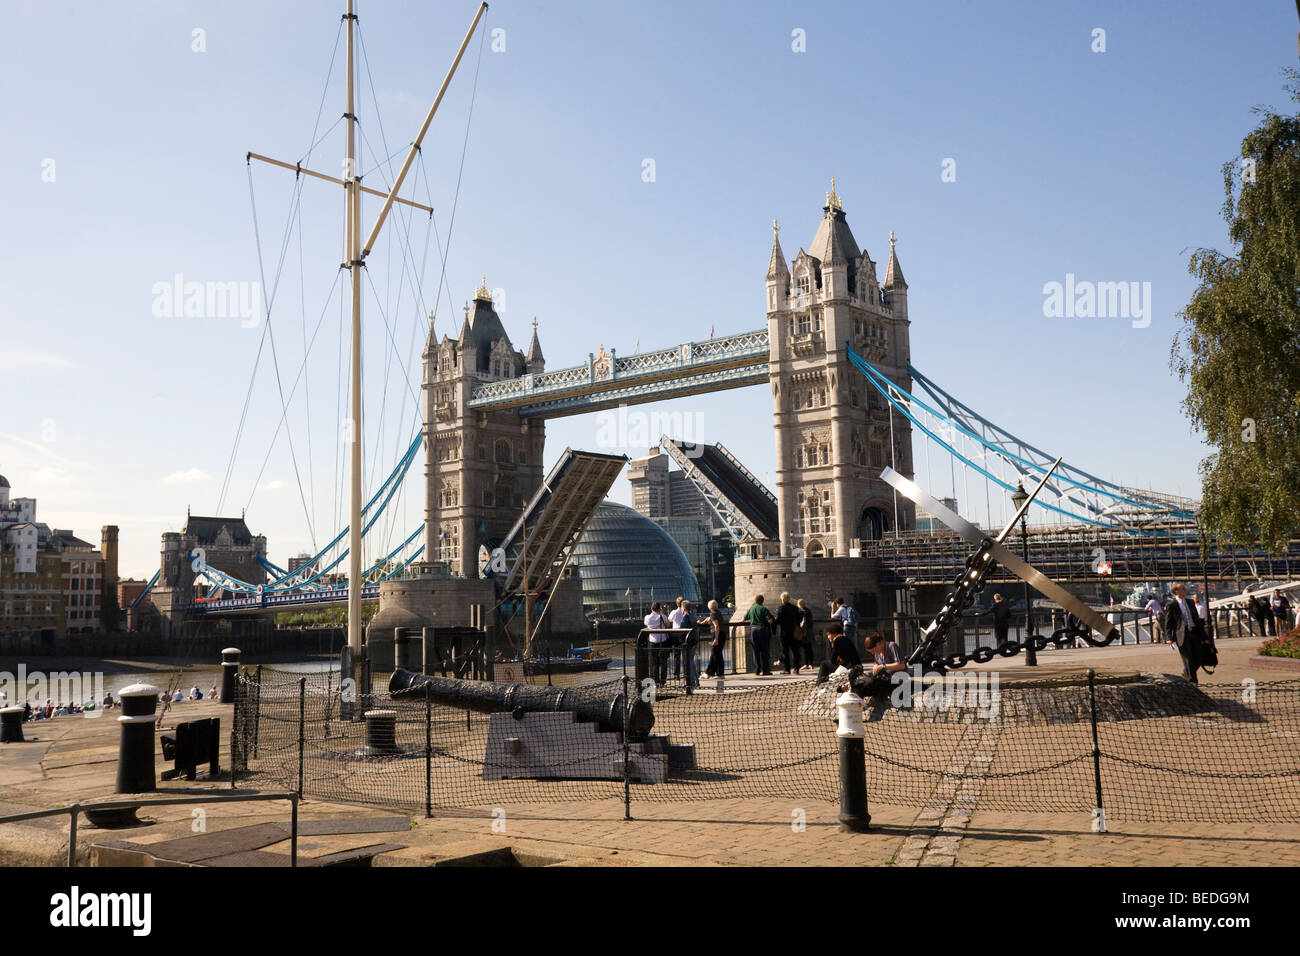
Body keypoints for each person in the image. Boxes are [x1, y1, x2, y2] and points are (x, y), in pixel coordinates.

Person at [1162, 583, 1209, 684]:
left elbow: (1196, 617)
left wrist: (1203, 632)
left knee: (1199, 656)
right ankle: (1193, 682)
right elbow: (1168, 622)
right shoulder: (1171, 605)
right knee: (1187, 659)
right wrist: (1169, 638)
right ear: (1176, 591)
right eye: (1183, 588)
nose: (1185, 589)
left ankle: (1186, 672)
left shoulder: (1190, 602)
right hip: (1182, 634)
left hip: (1195, 632)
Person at [743, 594, 774, 676]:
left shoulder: (751, 609)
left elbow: (744, 618)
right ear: (762, 601)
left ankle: (757, 670)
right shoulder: (763, 609)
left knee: (755, 650)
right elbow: (770, 620)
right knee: (764, 650)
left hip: (753, 630)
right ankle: (765, 670)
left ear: (755, 601)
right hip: (761, 629)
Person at [775, 592, 802, 675]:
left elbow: (778, 620)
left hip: (784, 633)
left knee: (785, 651)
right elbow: (799, 619)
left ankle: (787, 669)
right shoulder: (795, 608)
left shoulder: (781, 608)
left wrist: (773, 621)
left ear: (782, 599)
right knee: (795, 651)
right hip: (794, 632)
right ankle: (796, 668)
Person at [644, 602, 670, 685]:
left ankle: (655, 680)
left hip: (652, 641)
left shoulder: (647, 618)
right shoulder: (662, 616)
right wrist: (661, 613)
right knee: (663, 662)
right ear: (659, 609)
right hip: (663, 641)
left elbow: (646, 625)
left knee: (654, 662)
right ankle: (663, 681)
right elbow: (668, 624)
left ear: (651, 609)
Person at [704, 599, 727, 679]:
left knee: (716, 654)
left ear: (709, 607)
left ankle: (719, 674)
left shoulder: (713, 614)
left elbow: (716, 626)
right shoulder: (718, 613)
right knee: (716, 654)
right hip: (723, 634)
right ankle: (709, 673)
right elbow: (709, 619)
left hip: (717, 634)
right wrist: (702, 622)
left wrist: (716, 639)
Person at [679, 600, 700, 687]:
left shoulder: (685, 616)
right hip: (694, 641)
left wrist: (680, 640)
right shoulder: (692, 615)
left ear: (683, 608)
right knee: (691, 661)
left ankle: (692, 681)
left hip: (688, 642)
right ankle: (695, 680)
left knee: (689, 662)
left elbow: (682, 630)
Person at [667, 597, 687, 680]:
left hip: (675, 634)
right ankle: (686, 673)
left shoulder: (674, 612)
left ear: (676, 603)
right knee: (685, 654)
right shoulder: (686, 612)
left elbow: (669, 620)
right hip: (685, 634)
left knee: (676, 655)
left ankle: (676, 674)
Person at [796, 598, 816, 670]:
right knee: (809, 648)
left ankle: (806, 664)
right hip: (809, 631)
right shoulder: (808, 611)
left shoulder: (801, 611)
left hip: (804, 632)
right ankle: (811, 664)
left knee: (805, 649)